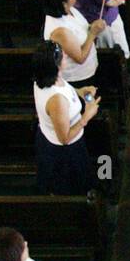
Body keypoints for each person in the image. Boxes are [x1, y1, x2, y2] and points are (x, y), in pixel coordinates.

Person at [30, 38, 100, 196]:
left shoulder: (43, 78)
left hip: (51, 140)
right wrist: (86, 117)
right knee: (74, 189)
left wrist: (80, 91)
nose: (67, 56)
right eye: (63, 55)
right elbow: (65, 138)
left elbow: (63, 87)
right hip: (65, 154)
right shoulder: (57, 101)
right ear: (56, 65)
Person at [42, 0, 105, 90]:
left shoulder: (70, 10)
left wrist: (93, 27)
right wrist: (92, 34)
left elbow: (80, 29)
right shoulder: (60, 30)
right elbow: (80, 58)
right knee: (87, 102)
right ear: (63, 3)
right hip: (78, 79)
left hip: (90, 70)